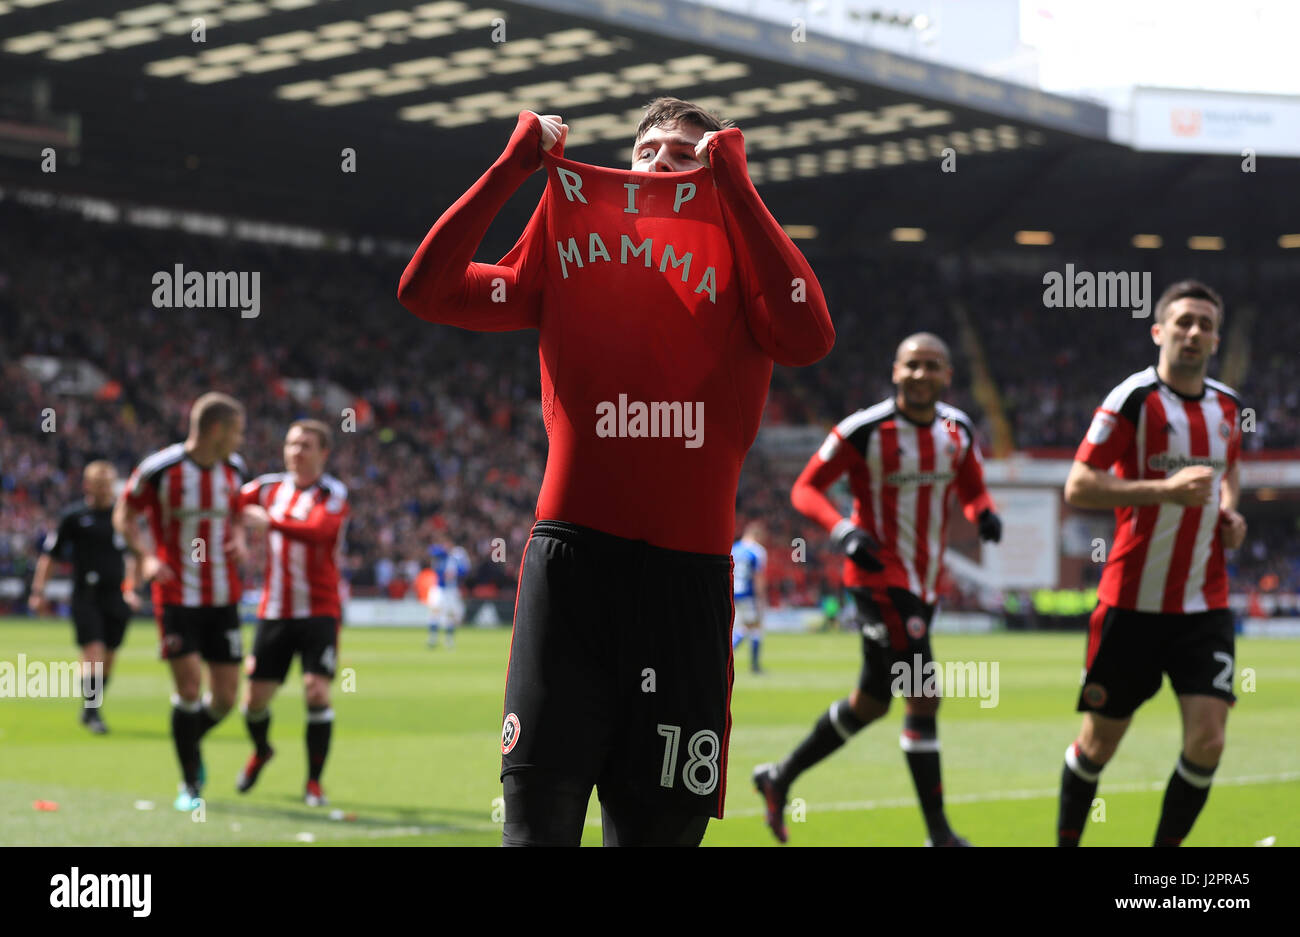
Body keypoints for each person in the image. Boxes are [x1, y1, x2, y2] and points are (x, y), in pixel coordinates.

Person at [398, 97, 834, 846]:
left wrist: (742, 191)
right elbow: (427, 290)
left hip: (686, 588)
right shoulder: (569, 228)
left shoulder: (741, 246)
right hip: (571, 573)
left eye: (686, 154)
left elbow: (809, 336)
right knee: (536, 830)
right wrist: (511, 170)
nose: (663, 162)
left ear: (719, 168)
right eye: (649, 150)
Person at [754, 333, 1001, 846]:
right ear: (895, 371)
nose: (921, 374)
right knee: (923, 694)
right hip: (878, 578)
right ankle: (940, 835)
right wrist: (843, 529)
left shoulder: (958, 429)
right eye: (912, 365)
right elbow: (806, 487)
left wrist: (985, 515)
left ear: (947, 375)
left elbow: (972, 486)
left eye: (932, 366)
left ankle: (779, 777)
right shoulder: (864, 430)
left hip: (925, 584)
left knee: (872, 702)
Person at [1057, 280, 1245, 846]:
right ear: (1159, 330)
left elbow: (1229, 474)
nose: (1194, 333)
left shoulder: (1229, 408)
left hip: (1203, 604)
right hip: (1131, 605)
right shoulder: (1132, 400)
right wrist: (1162, 492)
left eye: (1205, 325)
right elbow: (1079, 486)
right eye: (1184, 321)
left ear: (1215, 339)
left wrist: (1230, 515)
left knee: (1208, 741)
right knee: (1097, 746)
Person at [114, 392, 248, 811]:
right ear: (216, 430)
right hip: (176, 594)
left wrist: (240, 539)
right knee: (189, 688)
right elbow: (124, 513)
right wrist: (146, 557)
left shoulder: (235, 468)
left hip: (224, 595)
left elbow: (238, 512)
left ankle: (188, 740)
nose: (240, 440)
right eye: (237, 431)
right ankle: (190, 783)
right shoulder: (160, 469)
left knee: (225, 698)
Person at [234, 420, 349, 807]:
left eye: (306, 445)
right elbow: (230, 505)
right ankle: (262, 750)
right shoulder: (265, 488)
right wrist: (236, 537)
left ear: (323, 453)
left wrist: (269, 522)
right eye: (291, 444)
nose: (296, 451)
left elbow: (319, 531)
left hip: (320, 609)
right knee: (254, 700)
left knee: (316, 691)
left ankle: (314, 783)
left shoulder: (332, 493)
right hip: (276, 610)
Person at [29, 461, 140, 734]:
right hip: (86, 596)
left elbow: (135, 555)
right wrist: (38, 591)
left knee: (110, 655)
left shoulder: (122, 517)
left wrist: (131, 589)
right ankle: (92, 712)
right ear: (87, 485)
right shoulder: (73, 517)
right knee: (93, 651)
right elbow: (50, 556)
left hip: (116, 595)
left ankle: (91, 706)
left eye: (109, 485)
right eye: (99, 485)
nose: (105, 490)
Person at [731, 521, 768, 674]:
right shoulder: (757, 551)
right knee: (754, 628)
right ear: (757, 535)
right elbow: (757, 576)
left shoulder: (734, 547)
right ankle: (755, 666)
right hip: (749, 595)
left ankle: (725, 657)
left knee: (741, 628)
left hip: (732, 594)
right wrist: (761, 598)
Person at [425, 541, 470, 649]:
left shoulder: (456, 559)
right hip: (440, 590)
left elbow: (464, 571)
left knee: (450, 616)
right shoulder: (442, 557)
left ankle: (449, 640)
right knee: (434, 614)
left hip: (451, 591)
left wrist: (456, 571)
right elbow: (432, 551)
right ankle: (433, 639)